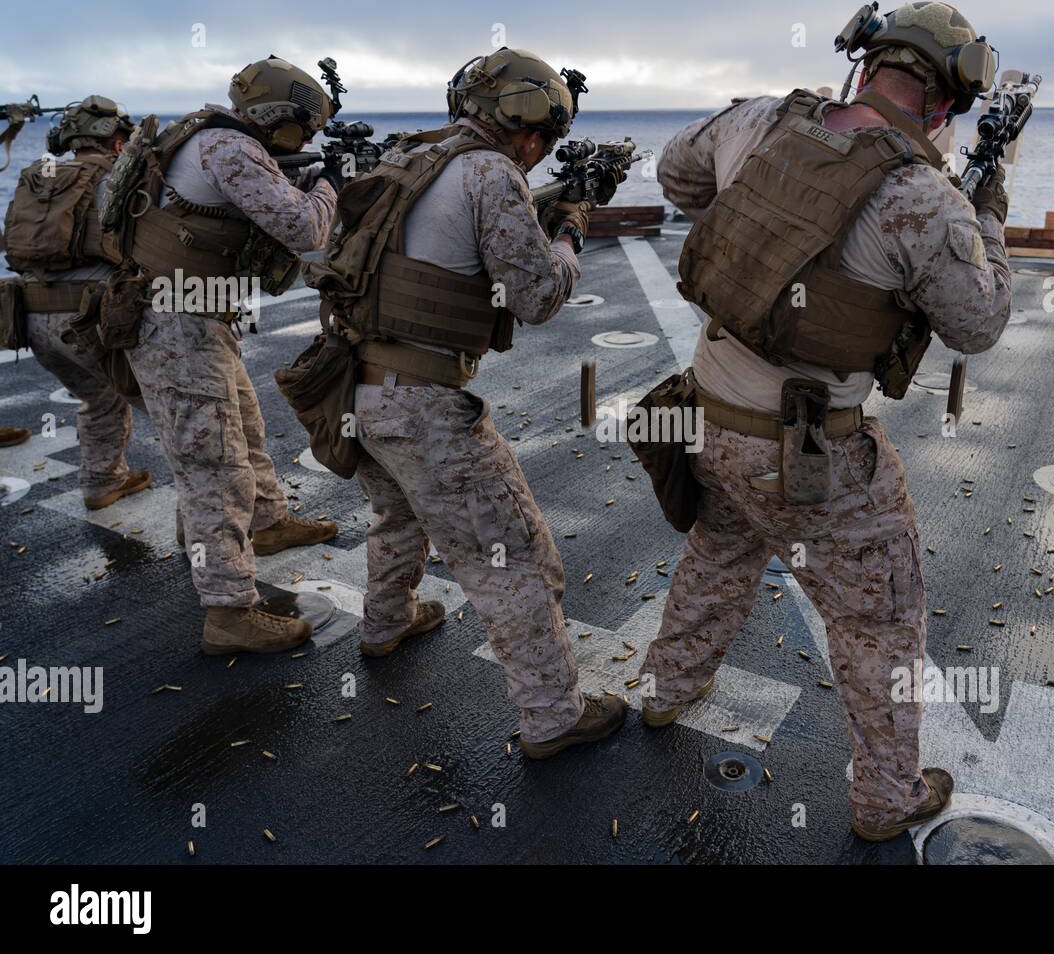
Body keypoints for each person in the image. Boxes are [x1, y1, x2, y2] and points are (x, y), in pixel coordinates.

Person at [640, 1, 1012, 841]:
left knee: (721, 551)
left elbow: (675, 174)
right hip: (808, 456)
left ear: (865, 62)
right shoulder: (922, 197)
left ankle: (665, 692)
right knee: (879, 620)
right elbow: (977, 326)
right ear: (948, 100)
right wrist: (989, 212)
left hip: (703, 419)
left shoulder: (763, 118)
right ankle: (886, 799)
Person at [308, 47, 623, 759]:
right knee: (513, 556)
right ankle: (553, 717)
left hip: (357, 384)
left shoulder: (414, 156)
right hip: (421, 403)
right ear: (531, 128)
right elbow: (537, 295)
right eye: (545, 139)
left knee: (397, 514)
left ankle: (385, 623)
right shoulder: (490, 171)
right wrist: (570, 230)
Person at [116, 56, 343, 655]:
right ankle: (229, 610)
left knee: (243, 427)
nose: (310, 137)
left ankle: (264, 524)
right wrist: (329, 185)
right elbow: (304, 230)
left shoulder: (204, 133)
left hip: (189, 316)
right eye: (306, 125)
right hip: (178, 324)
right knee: (213, 469)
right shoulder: (229, 148)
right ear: (280, 118)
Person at [1, 95, 149, 509]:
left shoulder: (39, 177)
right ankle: (207, 515)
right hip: (89, 318)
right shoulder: (114, 179)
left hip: (31, 316)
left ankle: (102, 482)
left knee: (100, 397)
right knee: (174, 410)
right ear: (118, 142)